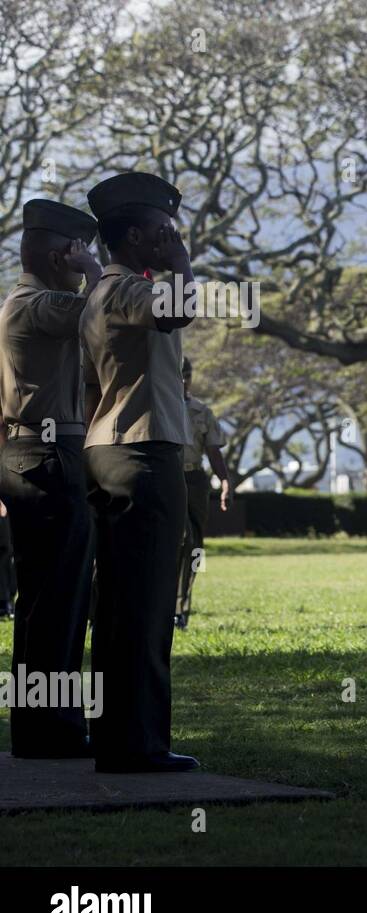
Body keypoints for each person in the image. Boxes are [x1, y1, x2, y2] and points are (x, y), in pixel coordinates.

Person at [82, 171, 200, 773]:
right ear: (132, 238)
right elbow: (180, 312)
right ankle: (137, 745)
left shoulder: (110, 291)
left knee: (123, 605)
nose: (170, 238)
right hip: (142, 453)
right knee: (146, 606)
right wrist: (182, 261)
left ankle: (119, 739)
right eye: (161, 231)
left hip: (114, 449)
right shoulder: (125, 288)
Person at [0, 199, 100, 757]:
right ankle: (52, 730)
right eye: (75, 250)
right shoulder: (36, 305)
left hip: (28, 452)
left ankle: (41, 729)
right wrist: (93, 274)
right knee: (59, 600)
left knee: (44, 599)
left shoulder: (15, 304)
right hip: (51, 451)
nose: (80, 260)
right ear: (56, 252)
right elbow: (99, 315)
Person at [174, 356, 230, 630]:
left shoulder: (201, 411)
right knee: (178, 539)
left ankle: (181, 609)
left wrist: (225, 481)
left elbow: (214, 450)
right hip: (167, 477)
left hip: (195, 479)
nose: (183, 380)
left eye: (187, 375)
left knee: (194, 545)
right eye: (178, 374)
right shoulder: (157, 407)